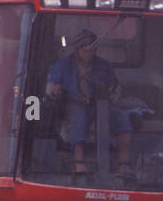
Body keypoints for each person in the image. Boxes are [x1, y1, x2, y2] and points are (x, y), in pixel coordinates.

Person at [46, 29, 133, 174]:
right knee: (79, 118)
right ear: (77, 49)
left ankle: (123, 165)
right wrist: (55, 90)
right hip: (73, 103)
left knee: (122, 119)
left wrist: (109, 96)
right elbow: (50, 86)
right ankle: (79, 163)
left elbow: (115, 87)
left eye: (92, 50)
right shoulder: (64, 65)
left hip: (100, 104)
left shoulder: (104, 66)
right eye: (85, 50)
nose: (89, 53)